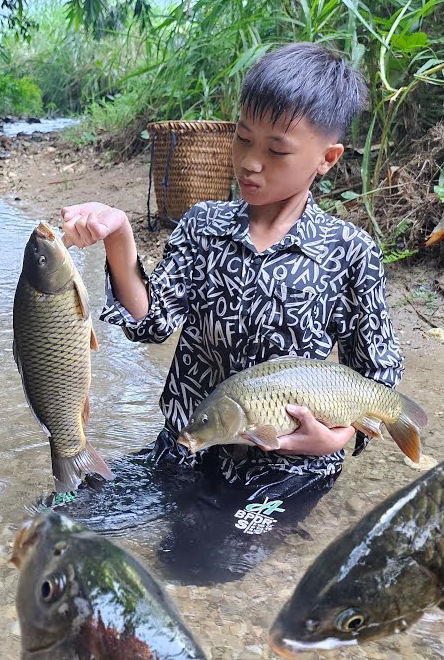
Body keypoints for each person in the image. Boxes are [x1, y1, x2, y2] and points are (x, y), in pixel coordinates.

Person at [58, 42, 404, 584]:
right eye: (242, 137)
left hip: (287, 467)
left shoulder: (349, 252)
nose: (250, 161)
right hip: (192, 442)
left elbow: (378, 376)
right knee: (60, 522)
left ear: (326, 159)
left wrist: (335, 440)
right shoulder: (203, 227)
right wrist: (119, 238)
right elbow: (153, 322)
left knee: (199, 561)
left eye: (276, 150)